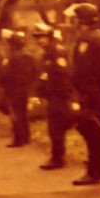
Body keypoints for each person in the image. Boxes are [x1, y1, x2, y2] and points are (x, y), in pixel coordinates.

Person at [67, 3, 100, 185]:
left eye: (78, 18)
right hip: (90, 91)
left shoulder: (93, 39)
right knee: (96, 131)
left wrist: (90, 89)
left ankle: (94, 171)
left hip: (91, 92)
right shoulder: (93, 37)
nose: (75, 21)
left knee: (92, 131)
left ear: (83, 19)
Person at [34, 23, 75, 169]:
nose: (40, 40)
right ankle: (57, 156)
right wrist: (41, 92)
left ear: (50, 37)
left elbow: (63, 74)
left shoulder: (56, 52)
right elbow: (46, 75)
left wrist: (68, 97)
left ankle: (58, 158)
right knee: (54, 128)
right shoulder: (47, 53)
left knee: (56, 128)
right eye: (37, 38)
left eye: (42, 37)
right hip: (52, 96)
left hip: (60, 96)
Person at [0, 31, 38, 148]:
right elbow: (35, 72)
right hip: (26, 88)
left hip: (13, 89)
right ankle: (26, 137)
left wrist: (2, 85)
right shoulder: (30, 56)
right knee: (24, 114)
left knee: (15, 114)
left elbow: (4, 74)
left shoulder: (10, 58)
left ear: (12, 44)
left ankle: (18, 139)